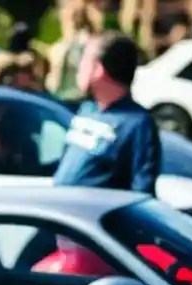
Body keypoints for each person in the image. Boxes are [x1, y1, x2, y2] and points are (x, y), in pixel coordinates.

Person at [53, 31, 160, 195]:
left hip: (91, 218)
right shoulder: (86, 110)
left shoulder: (137, 124)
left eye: (84, 61)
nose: (79, 68)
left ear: (98, 69)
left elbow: (142, 191)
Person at [46, 0, 96, 110]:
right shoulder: (92, 42)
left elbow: (54, 84)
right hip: (85, 103)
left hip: (69, 103)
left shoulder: (62, 47)